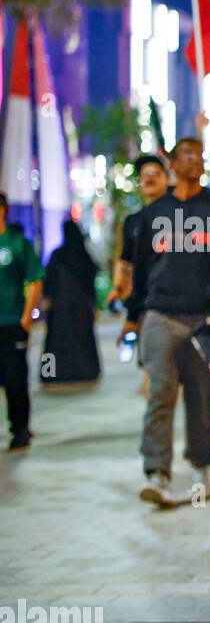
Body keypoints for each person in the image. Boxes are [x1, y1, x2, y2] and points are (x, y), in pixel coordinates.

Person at [120, 137, 210, 504]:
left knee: (203, 396)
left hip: (206, 319)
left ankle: (200, 466)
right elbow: (141, 272)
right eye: (186, 155)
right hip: (160, 315)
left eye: (199, 155)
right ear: (172, 164)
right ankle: (157, 473)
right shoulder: (152, 214)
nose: (194, 161)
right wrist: (133, 317)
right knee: (160, 394)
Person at [0, 193, 42, 451]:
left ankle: (20, 428)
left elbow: (34, 280)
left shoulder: (17, 243)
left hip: (12, 322)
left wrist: (26, 317)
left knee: (15, 378)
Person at [40, 219, 101, 386]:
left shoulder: (57, 255)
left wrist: (47, 300)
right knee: (83, 341)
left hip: (60, 306)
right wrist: (93, 304)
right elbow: (91, 281)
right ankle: (86, 370)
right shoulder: (84, 256)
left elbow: (48, 280)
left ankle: (50, 373)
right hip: (81, 307)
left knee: (54, 341)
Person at [108, 154, 170, 306]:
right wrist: (117, 288)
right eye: (145, 175)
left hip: (173, 298)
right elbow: (126, 259)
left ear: (166, 179)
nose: (150, 178)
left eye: (156, 173)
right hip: (142, 300)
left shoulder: (180, 216)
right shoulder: (132, 221)